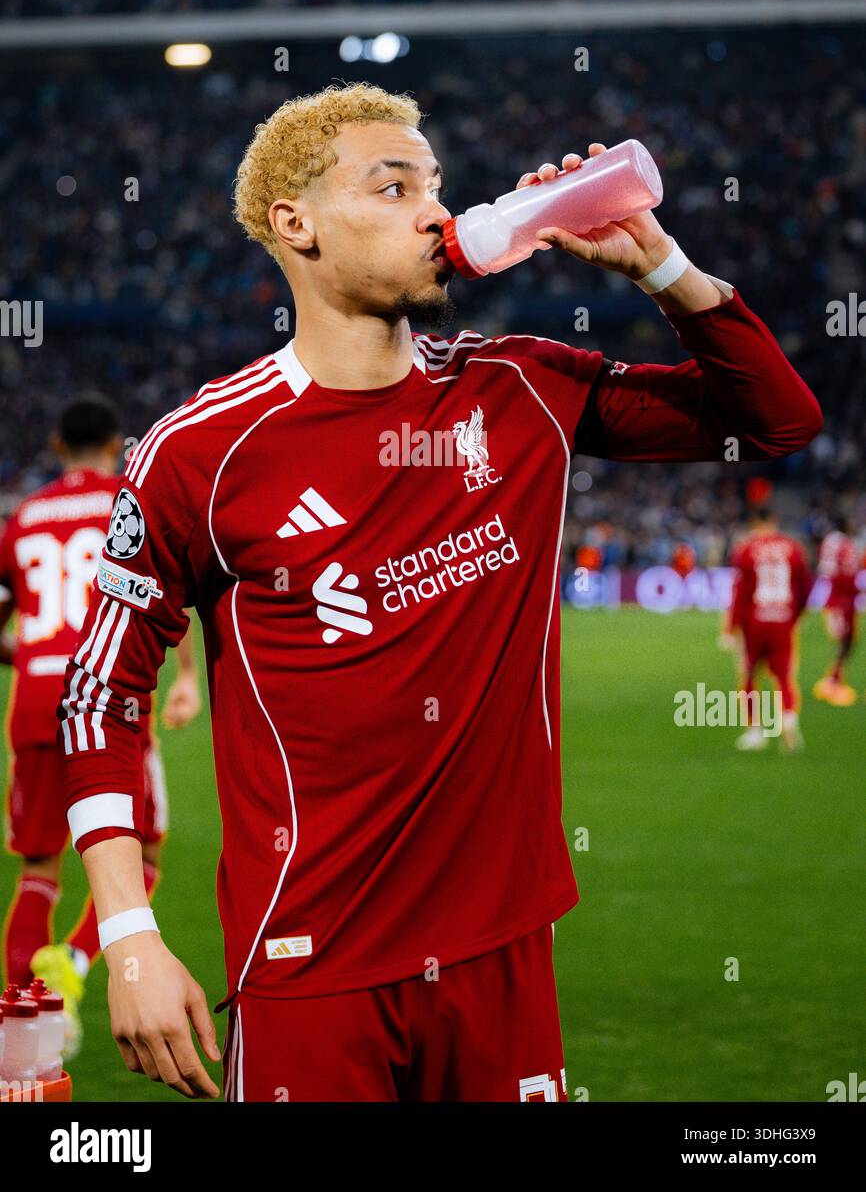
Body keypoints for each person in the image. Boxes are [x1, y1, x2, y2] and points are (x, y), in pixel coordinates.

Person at [58, 83, 821, 1102]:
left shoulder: (521, 390)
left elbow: (774, 421)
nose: (436, 210)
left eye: (437, 186)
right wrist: (129, 936)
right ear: (298, 225)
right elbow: (100, 694)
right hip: (308, 965)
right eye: (394, 184)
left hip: (500, 950)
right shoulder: (198, 453)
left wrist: (663, 268)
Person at [0, 394, 201, 1055]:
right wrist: (190, 680)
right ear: (119, 444)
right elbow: (171, 587)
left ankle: (24, 1034)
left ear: (56, 447)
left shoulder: (25, 514)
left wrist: (26, 653)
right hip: (107, 691)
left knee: (39, 867)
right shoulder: (132, 495)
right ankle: (77, 965)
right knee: (140, 854)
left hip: (33, 697)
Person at [725, 507, 813, 753]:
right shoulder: (793, 548)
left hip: (755, 620)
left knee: (750, 675)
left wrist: (731, 627)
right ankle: (788, 720)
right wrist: (797, 614)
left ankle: (755, 731)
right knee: (784, 676)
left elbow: (740, 592)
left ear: (754, 522)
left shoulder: (746, 549)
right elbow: (805, 586)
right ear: (774, 520)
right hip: (783, 619)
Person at [813, 517, 862, 706]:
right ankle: (831, 683)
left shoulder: (838, 542)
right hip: (840, 601)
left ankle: (834, 680)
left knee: (848, 642)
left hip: (845, 600)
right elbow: (834, 572)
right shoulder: (840, 543)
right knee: (844, 642)